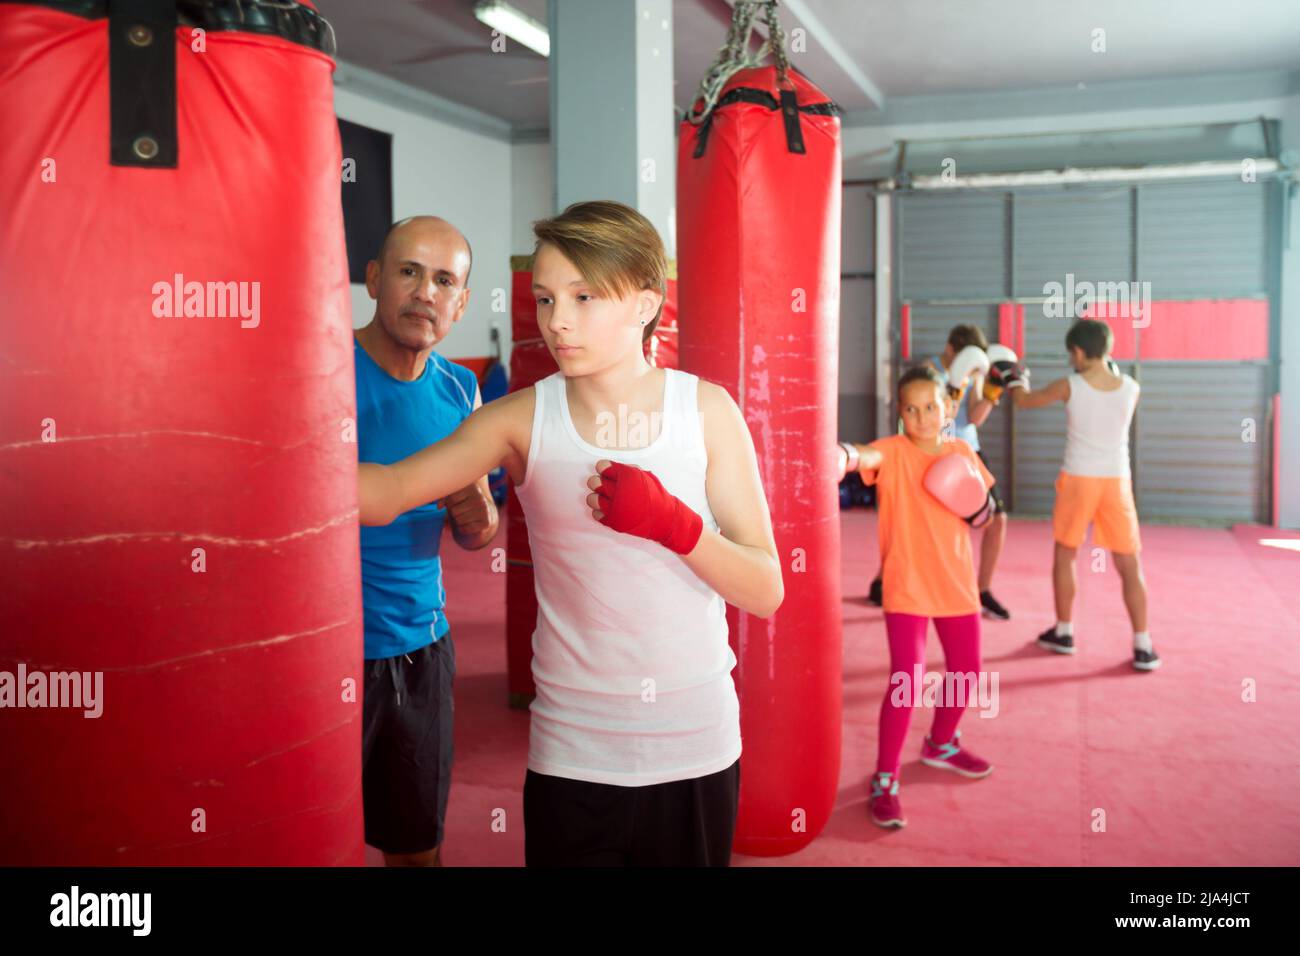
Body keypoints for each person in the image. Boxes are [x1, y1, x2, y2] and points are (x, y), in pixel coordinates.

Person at [358, 200, 784, 866]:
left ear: (645, 304)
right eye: (548, 298)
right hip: (575, 751)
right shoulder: (519, 420)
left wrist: (679, 527)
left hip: (694, 741)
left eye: (584, 298)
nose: (557, 321)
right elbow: (384, 492)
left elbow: (765, 589)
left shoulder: (705, 411)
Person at [355, 216, 500, 867]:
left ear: (462, 303)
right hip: (322, 656)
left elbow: (482, 530)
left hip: (418, 651)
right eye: (409, 271)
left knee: (416, 848)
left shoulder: (459, 391)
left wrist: (474, 513)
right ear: (374, 279)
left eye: (445, 280)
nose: (425, 292)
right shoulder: (320, 374)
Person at [839, 365, 996, 829]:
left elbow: (985, 517)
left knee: (967, 671)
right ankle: (885, 777)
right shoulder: (894, 452)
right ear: (900, 413)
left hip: (956, 583)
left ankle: (941, 743)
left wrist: (973, 502)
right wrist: (841, 454)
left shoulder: (962, 450)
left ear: (948, 408)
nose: (923, 417)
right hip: (906, 585)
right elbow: (864, 456)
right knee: (906, 681)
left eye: (931, 407)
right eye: (911, 409)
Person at [1011, 318, 1160, 672]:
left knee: (1065, 555)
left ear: (1077, 351)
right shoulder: (1131, 387)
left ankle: (1064, 632)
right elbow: (1110, 383)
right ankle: (1144, 644)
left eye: (1072, 354)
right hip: (1116, 481)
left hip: (1079, 478)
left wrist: (1014, 376)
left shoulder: (1070, 385)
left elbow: (1023, 401)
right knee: (1129, 563)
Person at [867, 325, 1012, 621]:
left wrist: (994, 392)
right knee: (912, 517)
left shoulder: (974, 372)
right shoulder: (926, 374)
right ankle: (885, 579)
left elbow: (974, 418)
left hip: (964, 450)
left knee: (996, 518)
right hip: (926, 450)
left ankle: (982, 589)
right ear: (949, 349)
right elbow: (913, 418)